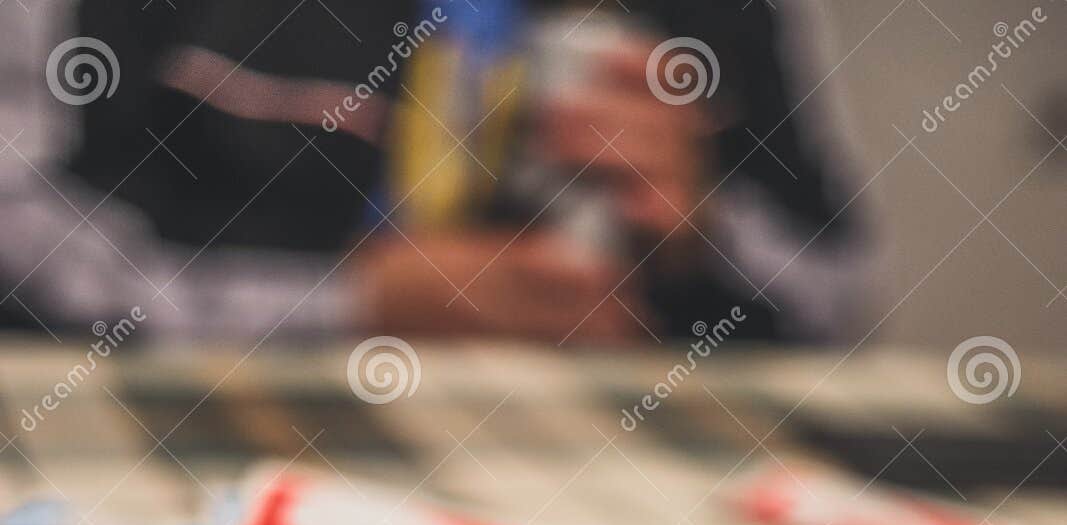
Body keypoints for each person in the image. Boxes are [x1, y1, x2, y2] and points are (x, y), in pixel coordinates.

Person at [0, 1, 875, 345]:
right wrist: (359, 304)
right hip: (227, 451)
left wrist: (704, 230)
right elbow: (25, 256)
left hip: (597, 473)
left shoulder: (707, 17)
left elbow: (840, 290)